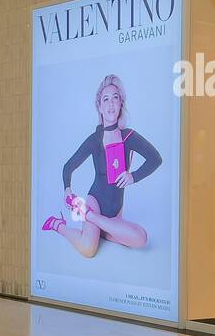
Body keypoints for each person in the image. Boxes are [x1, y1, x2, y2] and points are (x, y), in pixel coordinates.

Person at [41, 74, 159, 258]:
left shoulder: (129, 137)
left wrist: (133, 176)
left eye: (115, 98)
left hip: (114, 212)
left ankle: (91, 220)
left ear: (121, 104)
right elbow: (68, 166)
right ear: (100, 107)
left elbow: (155, 159)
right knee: (88, 250)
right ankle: (58, 224)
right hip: (95, 202)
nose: (111, 104)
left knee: (141, 238)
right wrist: (67, 190)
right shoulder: (95, 140)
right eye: (106, 99)